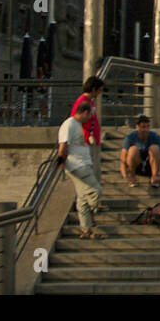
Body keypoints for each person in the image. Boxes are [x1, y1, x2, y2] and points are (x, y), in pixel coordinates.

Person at [57, 101, 103, 239]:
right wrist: (61, 162)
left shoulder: (77, 125)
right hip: (77, 165)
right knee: (96, 190)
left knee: (82, 198)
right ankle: (94, 209)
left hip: (83, 164)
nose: (90, 118)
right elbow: (63, 145)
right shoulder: (69, 124)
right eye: (90, 115)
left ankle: (86, 229)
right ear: (85, 112)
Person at [121, 115, 160, 188]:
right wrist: (124, 174)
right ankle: (132, 177)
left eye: (148, 126)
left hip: (150, 166)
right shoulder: (130, 137)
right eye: (143, 127)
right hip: (137, 166)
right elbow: (123, 156)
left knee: (155, 148)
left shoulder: (155, 136)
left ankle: (154, 177)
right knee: (133, 150)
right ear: (137, 127)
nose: (146, 130)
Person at [71, 77, 104, 147]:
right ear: (93, 89)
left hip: (91, 141)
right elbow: (75, 120)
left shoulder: (90, 102)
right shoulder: (81, 101)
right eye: (99, 90)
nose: (100, 93)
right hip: (85, 141)